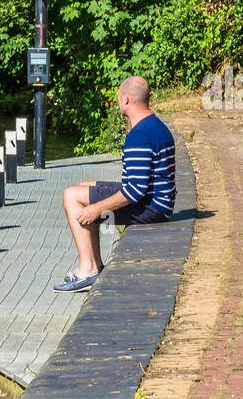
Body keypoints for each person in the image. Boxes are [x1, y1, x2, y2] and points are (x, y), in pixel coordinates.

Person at [54, 75, 176, 292]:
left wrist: (96, 209)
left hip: (151, 207)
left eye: (119, 97)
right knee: (83, 186)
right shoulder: (155, 125)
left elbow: (135, 191)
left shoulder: (139, 136)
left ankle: (88, 269)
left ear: (127, 99)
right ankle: (96, 265)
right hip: (159, 201)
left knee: (72, 196)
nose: (117, 101)